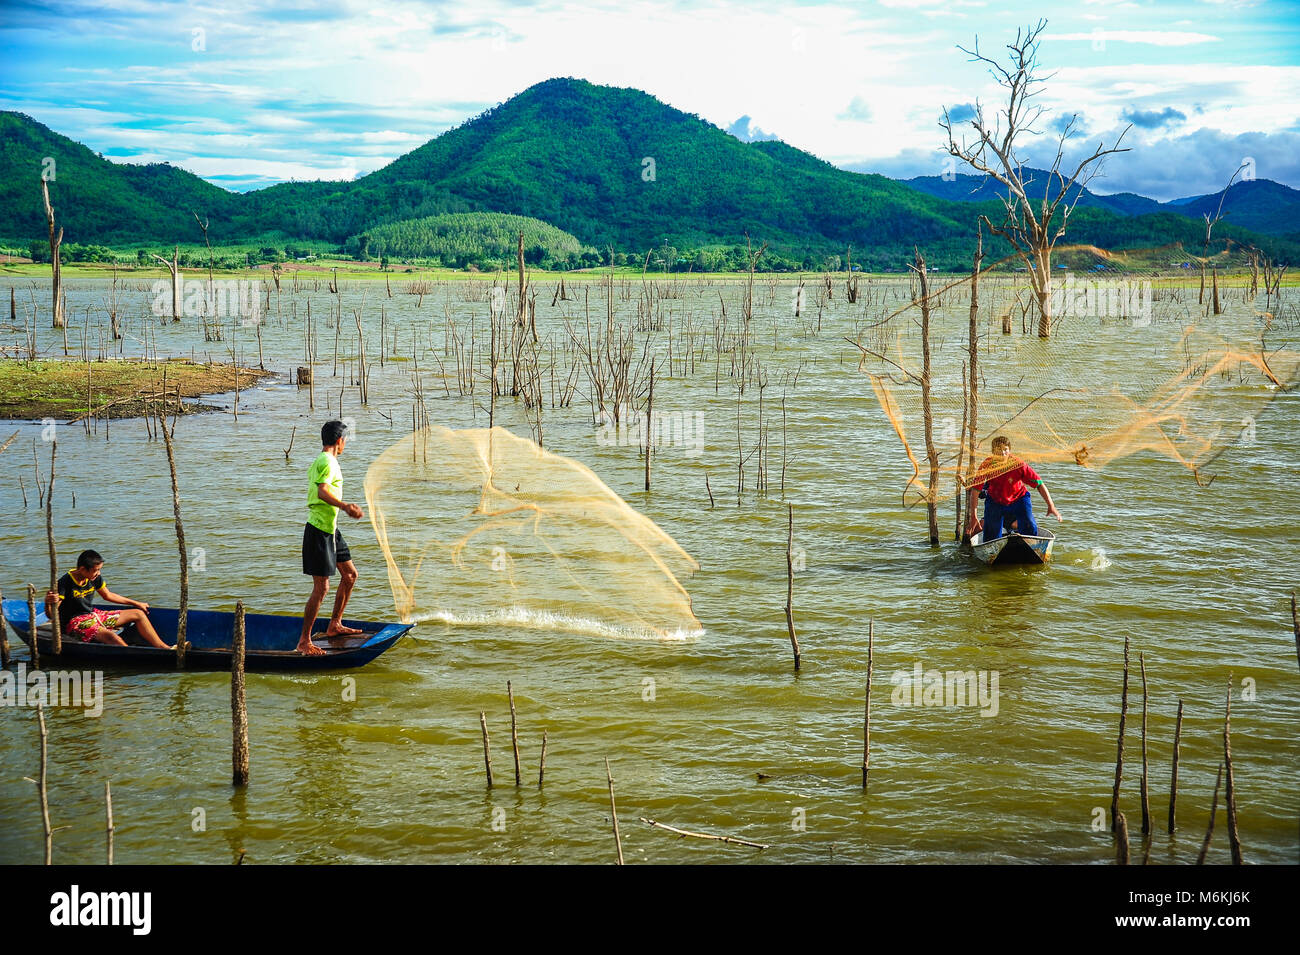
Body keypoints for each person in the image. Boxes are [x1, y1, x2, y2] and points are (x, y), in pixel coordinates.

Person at [299, 419, 365, 656]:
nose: (345, 443)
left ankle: (334, 625)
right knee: (322, 587)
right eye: (345, 440)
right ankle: (304, 641)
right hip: (318, 530)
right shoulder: (327, 460)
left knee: (349, 575)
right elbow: (322, 491)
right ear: (339, 441)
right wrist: (345, 506)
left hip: (330, 529)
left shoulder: (326, 460)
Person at [46, 549, 172, 648]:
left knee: (138, 614)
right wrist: (48, 603)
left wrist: (137, 603)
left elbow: (108, 595)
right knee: (111, 637)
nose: (99, 573)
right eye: (96, 570)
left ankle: (164, 648)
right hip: (74, 624)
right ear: (83, 569)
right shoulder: (64, 582)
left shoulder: (93, 577)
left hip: (93, 615)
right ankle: (131, 656)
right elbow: (52, 615)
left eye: (99, 569)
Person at [966, 435, 1063, 540]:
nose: (1002, 453)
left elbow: (1039, 484)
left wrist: (1051, 505)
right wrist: (973, 517)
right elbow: (975, 490)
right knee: (990, 535)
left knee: (1029, 527)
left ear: (1009, 450)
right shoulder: (987, 465)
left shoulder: (1018, 464)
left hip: (1019, 499)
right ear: (993, 451)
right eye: (998, 450)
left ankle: (1032, 545)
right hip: (995, 501)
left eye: (1005, 450)